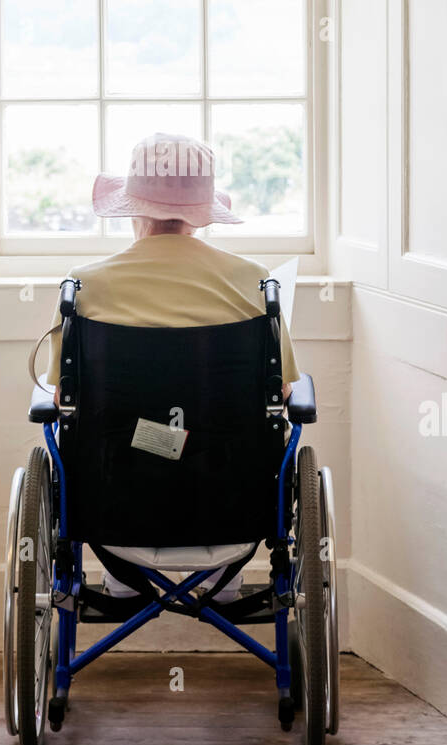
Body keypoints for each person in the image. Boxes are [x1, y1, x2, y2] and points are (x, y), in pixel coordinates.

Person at [37, 131, 301, 601]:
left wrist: (152, 431)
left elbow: (61, 398)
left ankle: (122, 577)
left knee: (121, 433)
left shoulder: (83, 289)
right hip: (229, 510)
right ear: (200, 216)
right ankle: (226, 581)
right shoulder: (258, 285)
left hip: (113, 512)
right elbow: (283, 394)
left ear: (133, 208)